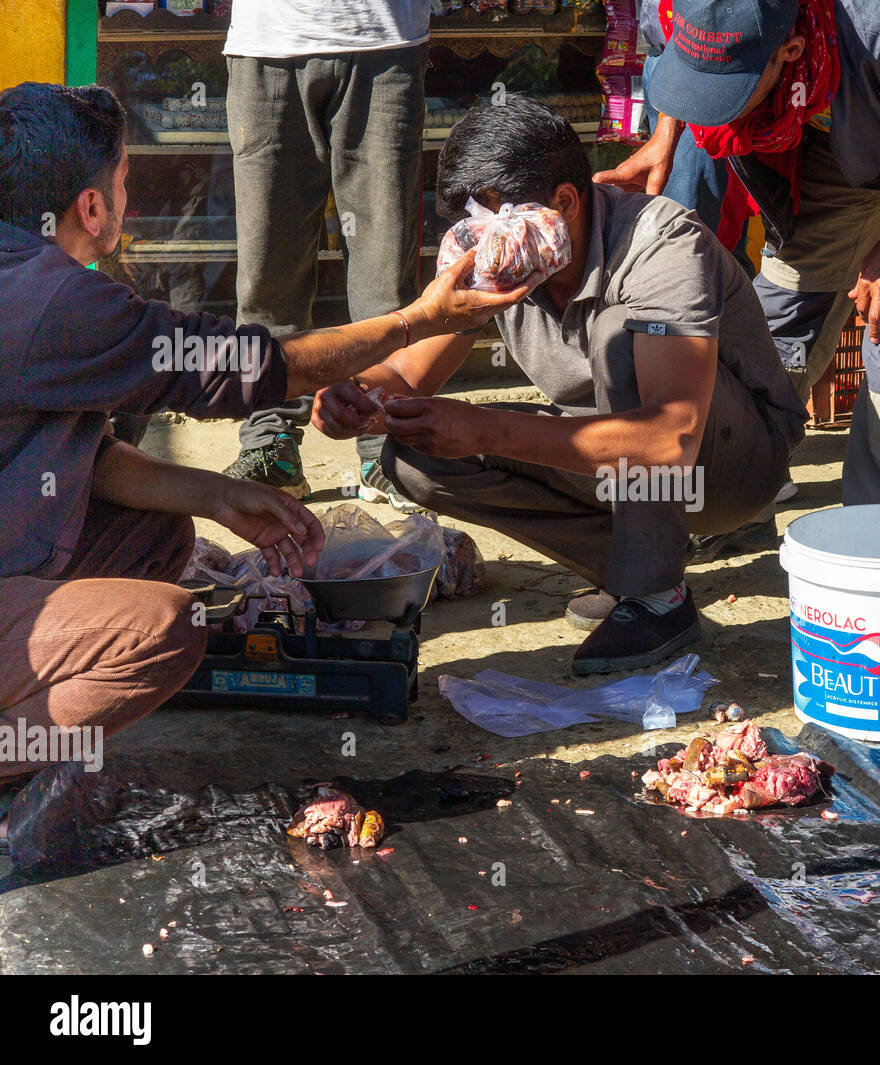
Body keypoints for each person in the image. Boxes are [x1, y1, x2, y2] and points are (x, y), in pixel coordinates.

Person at [0, 83, 523, 792]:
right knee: (167, 628)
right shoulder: (54, 301)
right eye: (125, 179)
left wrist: (217, 493)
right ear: (91, 208)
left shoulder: (28, 275)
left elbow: (77, 461)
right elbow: (253, 367)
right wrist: (417, 321)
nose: (129, 192)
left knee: (157, 538)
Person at [311, 95, 808, 675]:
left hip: (729, 465)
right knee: (414, 456)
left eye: (499, 219)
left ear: (565, 202)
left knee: (620, 334)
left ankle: (655, 594)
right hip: (619, 459)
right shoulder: (502, 256)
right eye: (474, 223)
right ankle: (632, 571)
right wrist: (358, 395)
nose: (486, 240)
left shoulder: (662, 243)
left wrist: (484, 428)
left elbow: (672, 437)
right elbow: (404, 374)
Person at [596, 0, 880, 507]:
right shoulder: (674, 6)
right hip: (830, 150)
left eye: (730, 90)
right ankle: (734, 501)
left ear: (792, 49)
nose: (715, 109)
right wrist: (665, 136)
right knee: (774, 325)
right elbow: (677, 51)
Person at [218, 0, 432, 510]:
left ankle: (384, 446)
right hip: (267, 42)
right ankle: (273, 443)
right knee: (269, 270)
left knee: (385, 273)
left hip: (383, 39)